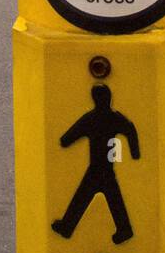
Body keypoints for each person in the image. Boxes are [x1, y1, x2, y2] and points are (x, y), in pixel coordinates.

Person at [52, 85, 141, 244]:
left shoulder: (91, 118)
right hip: (106, 167)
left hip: (96, 167)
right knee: (111, 198)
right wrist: (134, 153)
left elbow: (70, 136)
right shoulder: (115, 118)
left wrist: (65, 141)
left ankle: (67, 226)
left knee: (85, 196)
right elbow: (130, 130)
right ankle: (124, 229)